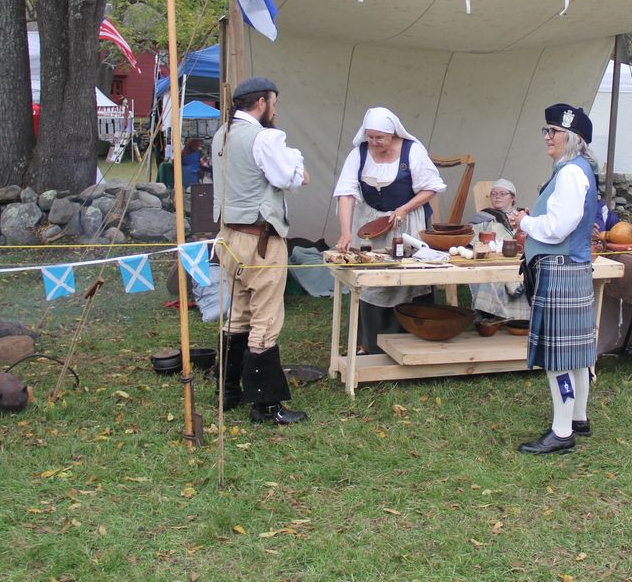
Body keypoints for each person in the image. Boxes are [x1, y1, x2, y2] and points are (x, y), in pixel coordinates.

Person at [212, 77, 310, 425]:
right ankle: (265, 404)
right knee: (266, 317)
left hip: (228, 236)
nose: (275, 109)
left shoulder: (221, 134)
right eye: (274, 103)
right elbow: (291, 179)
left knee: (238, 312)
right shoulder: (265, 137)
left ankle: (227, 391)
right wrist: (298, 164)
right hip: (259, 240)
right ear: (262, 103)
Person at [508, 103, 599, 455]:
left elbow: (559, 227)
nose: (547, 137)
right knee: (576, 355)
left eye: (553, 132)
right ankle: (578, 417)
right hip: (569, 268)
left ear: (573, 139)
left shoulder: (572, 174)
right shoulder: (573, 170)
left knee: (558, 357)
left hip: (560, 270)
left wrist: (524, 223)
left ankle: (562, 432)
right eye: (545, 131)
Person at [333, 107, 447, 354]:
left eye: (379, 138)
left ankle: (413, 338)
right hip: (369, 223)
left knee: (406, 278)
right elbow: (345, 193)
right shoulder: (359, 154)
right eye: (370, 137)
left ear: (392, 133)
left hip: (406, 223)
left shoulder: (411, 151)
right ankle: (370, 341)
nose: (374, 143)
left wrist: (405, 209)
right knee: (372, 279)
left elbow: (431, 188)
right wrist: (345, 231)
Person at [468, 179, 529, 321]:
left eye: (503, 193)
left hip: (520, 260)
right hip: (494, 261)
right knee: (490, 278)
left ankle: (521, 320)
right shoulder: (482, 218)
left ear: (512, 197)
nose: (497, 196)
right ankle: (490, 316)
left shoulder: (523, 217)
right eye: (494, 194)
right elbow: (471, 240)